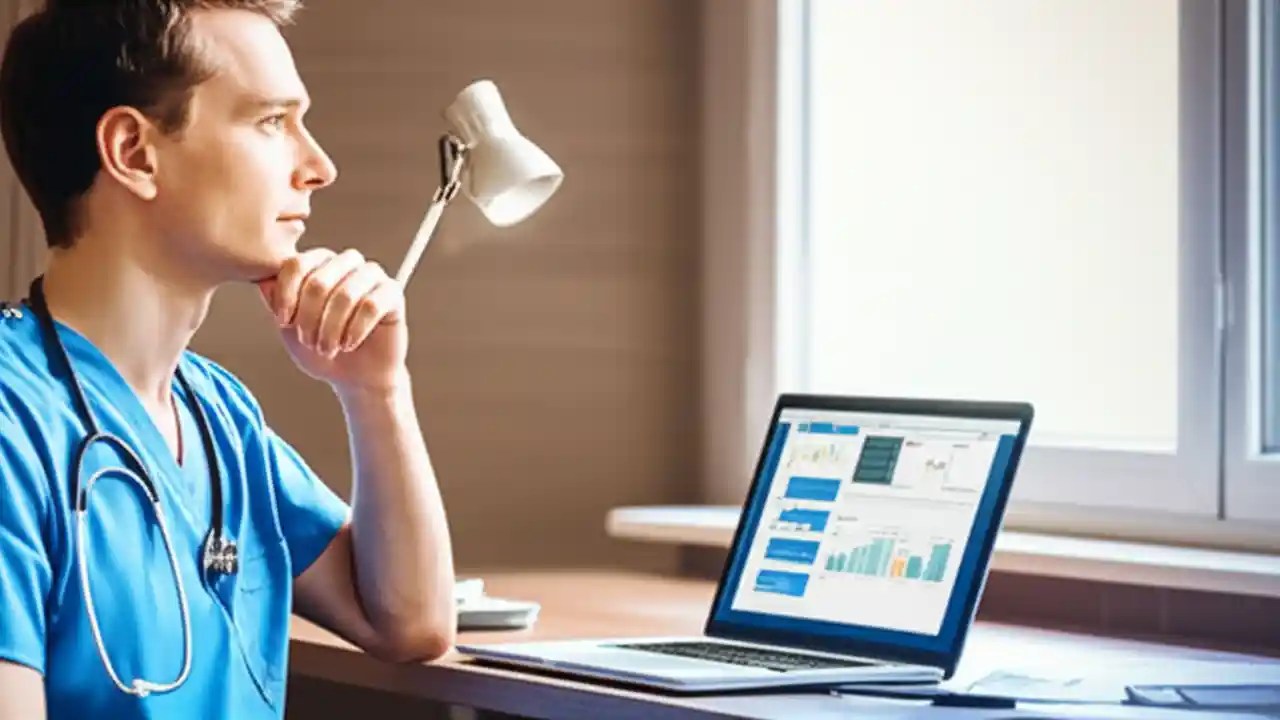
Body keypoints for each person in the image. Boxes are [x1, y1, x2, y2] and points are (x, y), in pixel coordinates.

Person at [0, 1, 457, 718]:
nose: (320, 167)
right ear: (134, 152)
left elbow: (410, 622)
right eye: (272, 122)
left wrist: (376, 391)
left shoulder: (219, 415)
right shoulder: (13, 425)